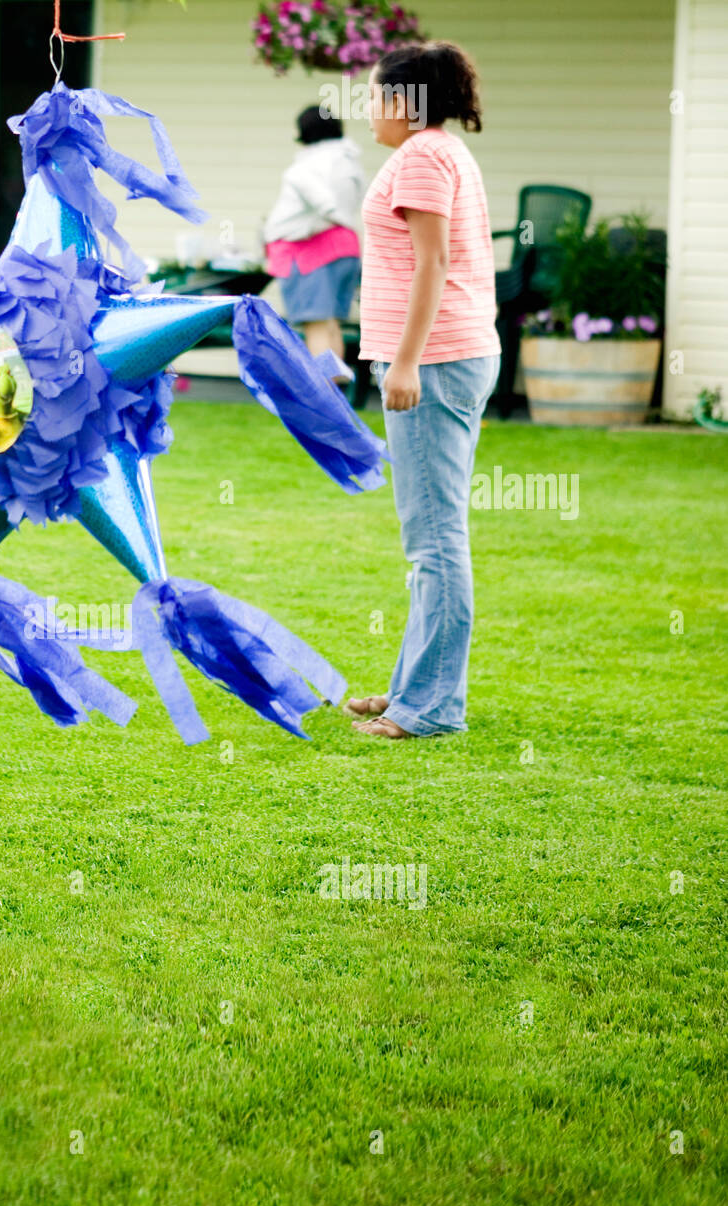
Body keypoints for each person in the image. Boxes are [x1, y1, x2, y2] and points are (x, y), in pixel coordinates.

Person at [348, 42, 501, 740]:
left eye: (376, 95)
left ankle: (432, 708)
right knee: (430, 537)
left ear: (405, 104)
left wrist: (405, 363)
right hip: (447, 357)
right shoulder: (436, 153)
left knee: (435, 541)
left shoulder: (421, 158)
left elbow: (431, 265)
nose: (369, 109)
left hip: (434, 363)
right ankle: (415, 687)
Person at [262, 107, 365, 363]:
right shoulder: (349, 160)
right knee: (331, 326)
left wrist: (333, 213)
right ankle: (337, 396)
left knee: (316, 327)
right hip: (345, 249)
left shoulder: (306, 166)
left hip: (309, 252)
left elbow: (323, 200)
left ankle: (324, 397)